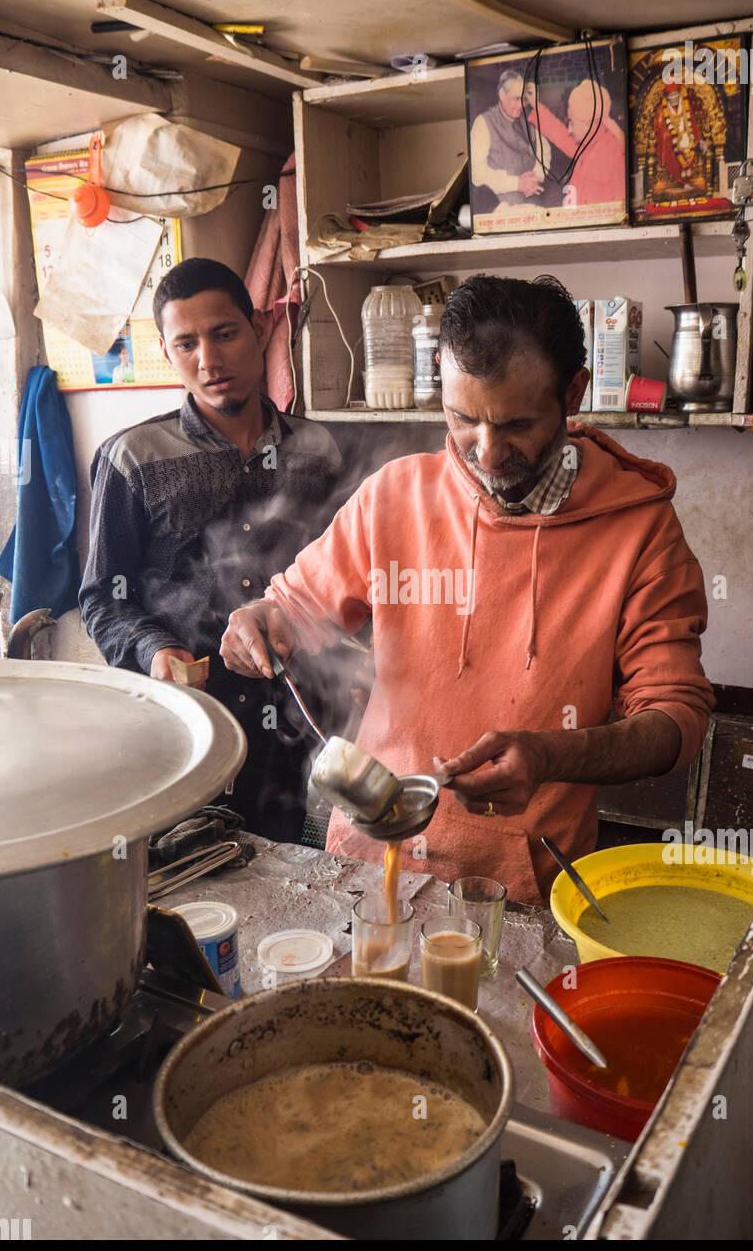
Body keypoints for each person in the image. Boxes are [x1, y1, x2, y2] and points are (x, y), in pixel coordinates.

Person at [220, 274, 715, 905]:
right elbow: (293, 607)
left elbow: (677, 719)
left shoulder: (640, 529)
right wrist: (262, 621)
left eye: (517, 424)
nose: (486, 452)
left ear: (574, 394)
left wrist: (550, 758)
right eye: (462, 418)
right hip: (370, 863)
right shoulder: (395, 494)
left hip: (525, 887)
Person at [80, 257, 344, 841]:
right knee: (186, 888)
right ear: (166, 351)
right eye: (187, 343)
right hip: (186, 726)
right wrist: (157, 649)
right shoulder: (133, 458)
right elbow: (103, 599)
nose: (209, 359)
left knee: (281, 885)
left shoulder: (318, 451)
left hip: (287, 725)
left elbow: (338, 579)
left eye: (224, 334)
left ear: (257, 328)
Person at [526, 78, 626, 214]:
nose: (569, 129)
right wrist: (536, 105)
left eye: (572, 123)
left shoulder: (610, 153)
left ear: (588, 124)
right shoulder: (592, 139)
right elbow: (560, 135)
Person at [469, 69, 561, 216]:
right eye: (516, 99)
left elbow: (544, 151)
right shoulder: (483, 122)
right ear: (502, 95)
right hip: (501, 209)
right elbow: (477, 174)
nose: (521, 105)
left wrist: (536, 177)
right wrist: (517, 183)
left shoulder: (530, 119)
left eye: (523, 99)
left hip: (533, 203)